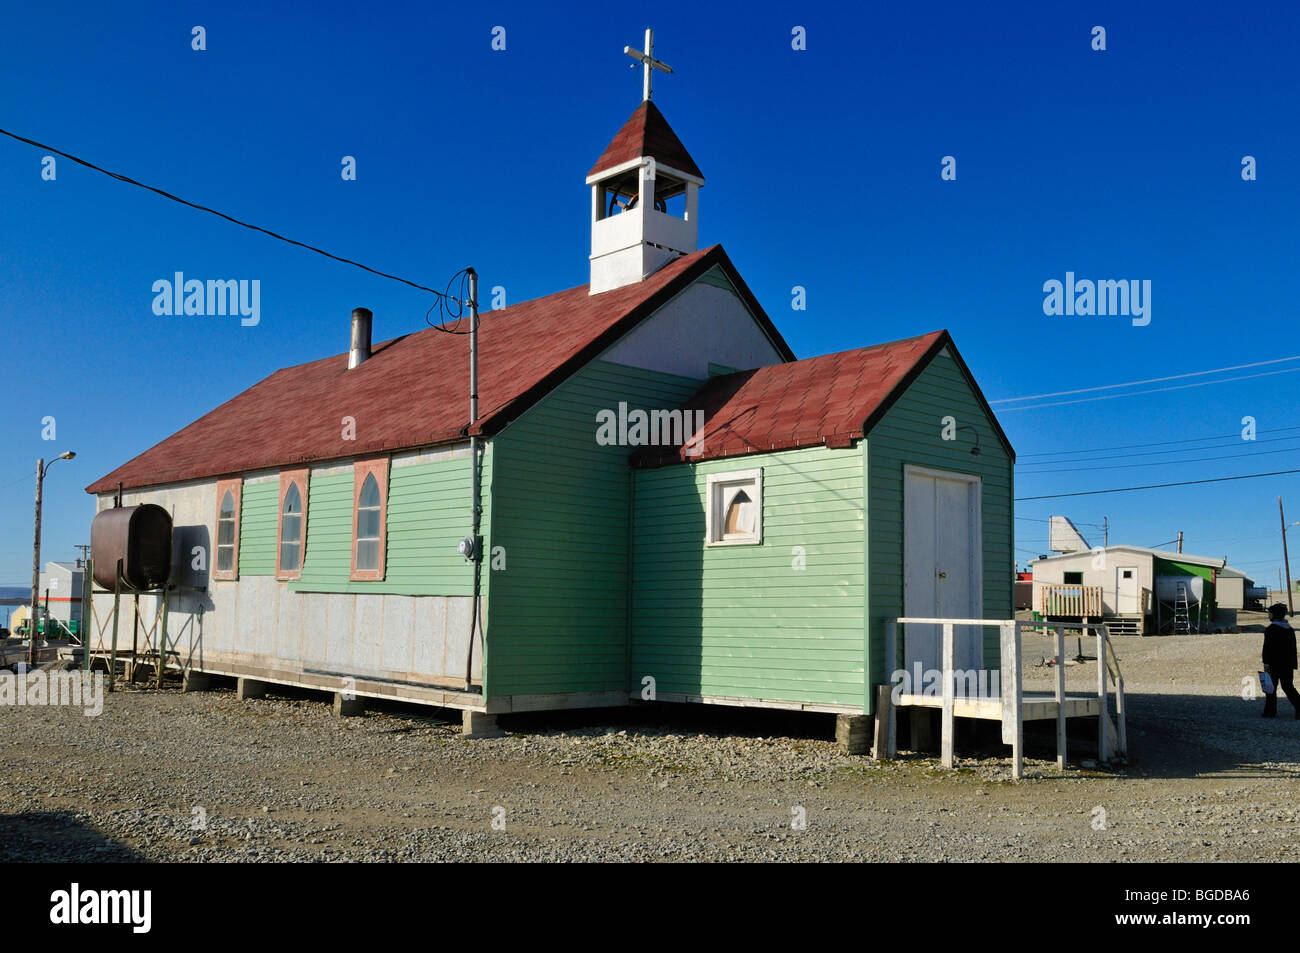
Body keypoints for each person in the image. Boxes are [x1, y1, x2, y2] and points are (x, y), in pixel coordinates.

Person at [1262, 603, 1300, 718]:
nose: (1269, 615)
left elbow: (1267, 647)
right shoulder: (1289, 629)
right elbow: (1293, 648)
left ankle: (1270, 711)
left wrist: (1266, 662)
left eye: (1270, 613)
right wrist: (1293, 663)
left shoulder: (1271, 629)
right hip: (1287, 664)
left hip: (1274, 663)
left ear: (1273, 615)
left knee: (1270, 688)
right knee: (1288, 687)